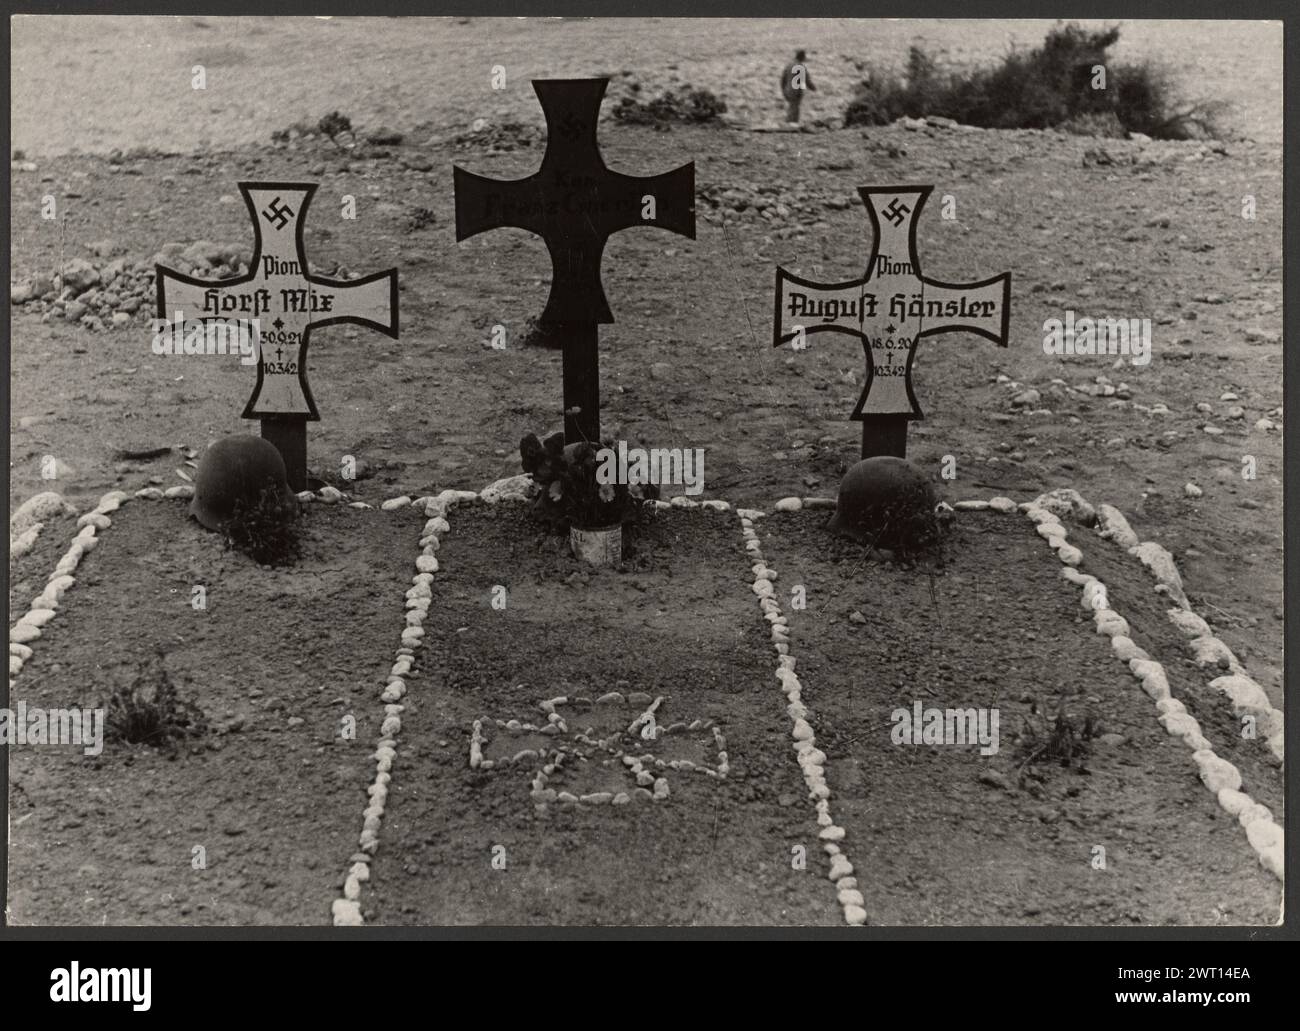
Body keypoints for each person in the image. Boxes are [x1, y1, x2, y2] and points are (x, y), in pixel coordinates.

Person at [781, 49, 816, 123]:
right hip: (796, 91)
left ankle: (789, 123)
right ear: (802, 57)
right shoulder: (800, 67)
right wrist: (813, 88)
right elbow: (805, 81)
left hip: (787, 90)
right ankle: (791, 124)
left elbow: (783, 79)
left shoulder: (789, 65)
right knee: (794, 109)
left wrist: (783, 91)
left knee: (791, 107)